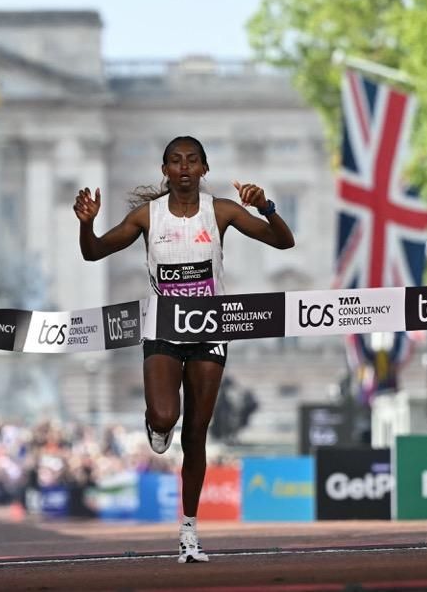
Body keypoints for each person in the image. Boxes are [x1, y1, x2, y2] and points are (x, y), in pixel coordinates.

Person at [74, 136, 294, 563]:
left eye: (193, 160)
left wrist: (266, 207)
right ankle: (157, 425)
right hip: (163, 328)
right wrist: (87, 224)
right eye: (176, 161)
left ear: (204, 169)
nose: (185, 167)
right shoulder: (147, 216)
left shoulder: (222, 211)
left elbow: (283, 242)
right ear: (165, 171)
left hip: (210, 330)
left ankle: (189, 529)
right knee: (164, 415)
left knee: (196, 433)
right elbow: (94, 252)